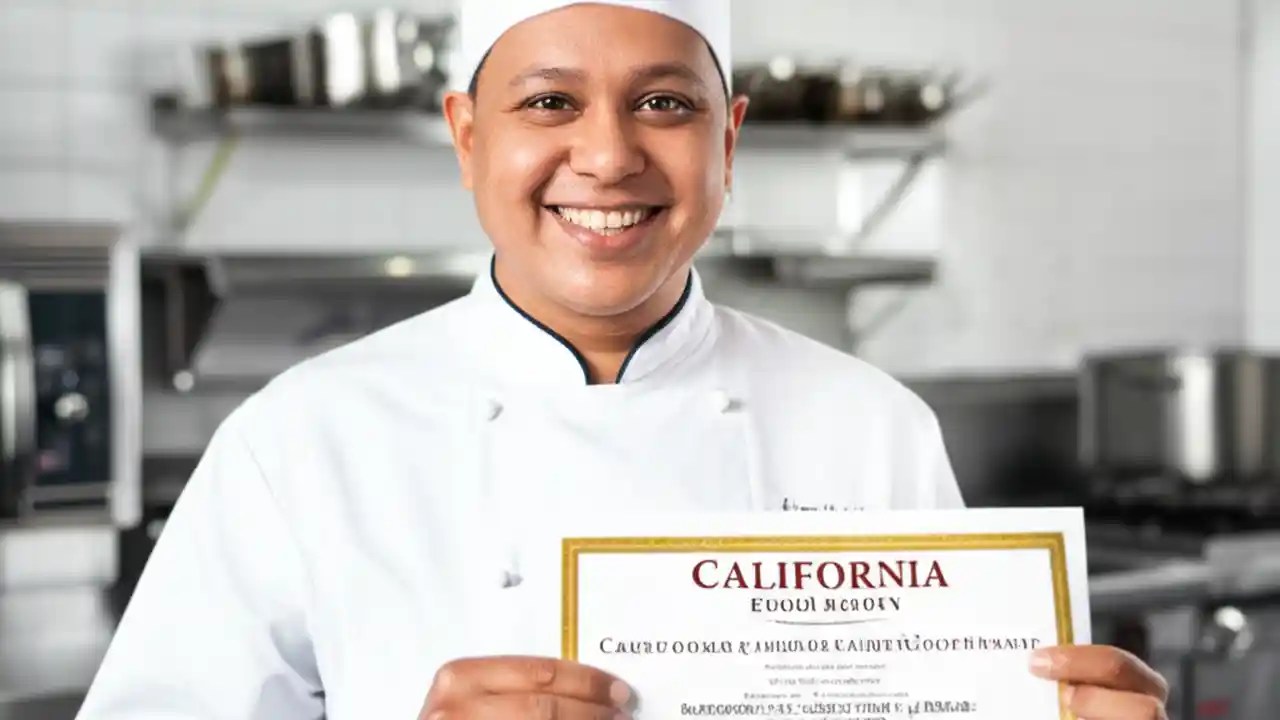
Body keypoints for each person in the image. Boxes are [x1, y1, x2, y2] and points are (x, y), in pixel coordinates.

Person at [77, 2, 1170, 719]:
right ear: (467, 136)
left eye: (664, 104)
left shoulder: (869, 424)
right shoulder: (300, 437)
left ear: (727, 142)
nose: (605, 156)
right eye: (549, 101)